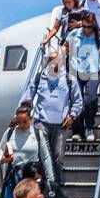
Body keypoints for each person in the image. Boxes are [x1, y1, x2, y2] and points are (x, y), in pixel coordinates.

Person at [21, 46, 82, 177]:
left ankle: (56, 185)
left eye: (56, 61)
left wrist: (72, 116)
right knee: (42, 157)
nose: (53, 64)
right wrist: (21, 116)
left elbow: (78, 101)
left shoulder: (69, 79)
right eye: (50, 61)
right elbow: (26, 99)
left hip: (60, 126)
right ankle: (44, 185)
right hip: (41, 124)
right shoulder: (39, 78)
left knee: (58, 157)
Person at [0, 102, 51, 198]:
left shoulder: (37, 134)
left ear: (30, 119)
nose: (21, 124)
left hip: (31, 175)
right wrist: (2, 158)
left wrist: (50, 179)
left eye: (24, 121)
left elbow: (45, 157)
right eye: (19, 121)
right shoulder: (10, 132)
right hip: (13, 175)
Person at [66, 13, 100, 142]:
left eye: (89, 27)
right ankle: (77, 130)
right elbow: (65, 47)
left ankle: (89, 127)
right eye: (84, 26)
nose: (87, 29)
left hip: (94, 71)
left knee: (89, 99)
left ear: (94, 25)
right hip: (76, 70)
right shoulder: (74, 34)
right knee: (77, 100)